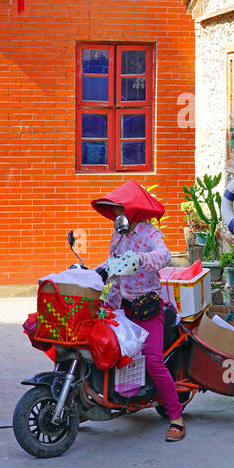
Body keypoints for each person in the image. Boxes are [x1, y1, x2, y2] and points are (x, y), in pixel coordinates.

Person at [92, 181, 186, 442]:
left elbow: (164, 255)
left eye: (120, 208)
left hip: (147, 307)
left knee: (153, 360)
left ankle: (176, 417)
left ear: (132, 209)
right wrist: (96, 272)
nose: (116, 214)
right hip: (119, 306)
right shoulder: (120, 233)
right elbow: (114, 262)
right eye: (114, 209)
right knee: (104, 350)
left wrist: (141, 260)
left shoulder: (148, 233)